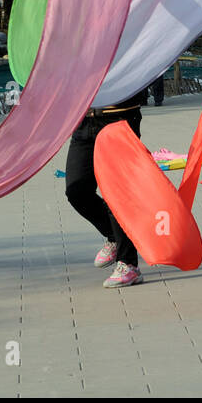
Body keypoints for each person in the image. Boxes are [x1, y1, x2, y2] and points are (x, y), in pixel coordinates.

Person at [65, 90, 148, 288]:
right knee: (77, 191)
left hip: (119, 119)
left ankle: (129, 265)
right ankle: (114, 237)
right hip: (84, 121)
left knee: (117, 195)